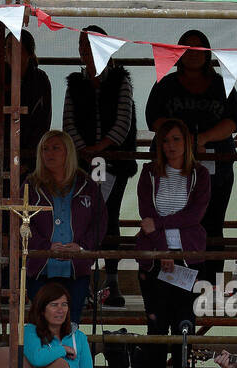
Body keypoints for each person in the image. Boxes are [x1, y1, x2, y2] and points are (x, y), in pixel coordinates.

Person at [145, 30, 237, 285]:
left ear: (208, 52)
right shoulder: (165, 83)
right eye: (187, 48)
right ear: (178, 53)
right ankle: (175, 279)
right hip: (173, 165)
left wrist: (204, 139)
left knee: (213, 222)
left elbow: (233, 121)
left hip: (216, 164)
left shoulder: (222, 83)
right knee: (174, 219)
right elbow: (154, 119)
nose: (193, 54)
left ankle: (212, 283)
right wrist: (184, 142)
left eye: (199, 49)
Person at [63, 25, 138, 308]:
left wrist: (100, 147)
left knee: (111, 217)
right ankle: (82, 277)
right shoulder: (75, 82)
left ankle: (112, 279)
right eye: (82, 44)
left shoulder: (121, 80)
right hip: (82, 163)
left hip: (115, 161)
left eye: (91, 44)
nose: (85, 50)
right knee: (81, 218)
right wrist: (83, 150)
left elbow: (123, 122)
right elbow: (68, 121)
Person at [136, 118, 211, 368]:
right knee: (156, 325)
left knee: (184, 325)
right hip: (154, 258)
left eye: (176, 139)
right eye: (165, 140)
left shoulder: (199, 174)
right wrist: (163, 250)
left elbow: (194, 215)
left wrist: (159, 226)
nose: (170, 145)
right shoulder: (148, 172)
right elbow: (146, 215)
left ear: (187, 142)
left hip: (188, 258)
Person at [25, 129, 106, 327]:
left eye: (55, 148)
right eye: (45, 149)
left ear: (68, 152)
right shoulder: (31, 185)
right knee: (42, 326)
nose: (49, 153)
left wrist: (81, 247)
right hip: (41, 269)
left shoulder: (87, 184)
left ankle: (69, 358)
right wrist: (46, 247)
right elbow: (22, 221)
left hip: (76, 269)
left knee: (71, 324)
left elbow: (100, 221)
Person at [22, 281, 93, 368]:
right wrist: (63, 349)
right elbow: (37, 359)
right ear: (41, 310)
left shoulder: (79, 337)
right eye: (54, 305)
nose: (60, 310)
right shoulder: (30, 331)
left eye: (64, 305)